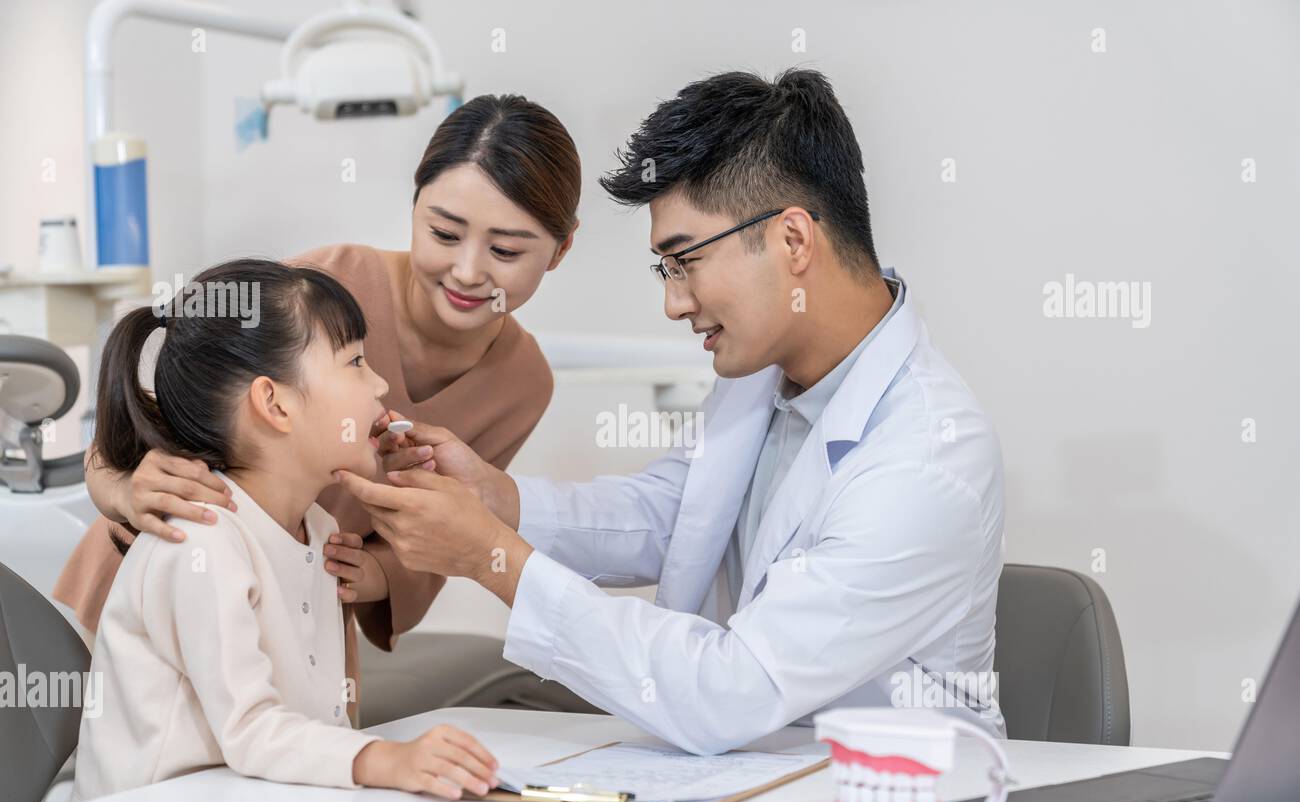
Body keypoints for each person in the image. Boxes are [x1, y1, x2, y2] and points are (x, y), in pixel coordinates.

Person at [337, 68, 1007, 755]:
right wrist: (497, 499)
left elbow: (732, 689)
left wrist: (491, 557)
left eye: (684, 261)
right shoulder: (768, 374)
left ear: (794, 241)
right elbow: (673, 512)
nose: (675, 303)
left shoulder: (927, 458)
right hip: (746, 778)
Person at [53, 94, 580, 722]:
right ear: (413, 206)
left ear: (560, 250)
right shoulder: (320, 292)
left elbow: (441, 542)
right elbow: (124, 431)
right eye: (444, 233)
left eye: (506, 251)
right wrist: (123, 489)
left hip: (298, 612)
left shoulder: (523, 384)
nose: (468, 271)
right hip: (158, 581)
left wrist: (373, 574)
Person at [75, 259, 499, 802]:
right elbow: (252, 731)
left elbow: (317, 717)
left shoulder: (318, 529)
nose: (379, 386)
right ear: (274, 404)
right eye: (354, 362)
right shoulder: (202, 541)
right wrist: (385, 760)